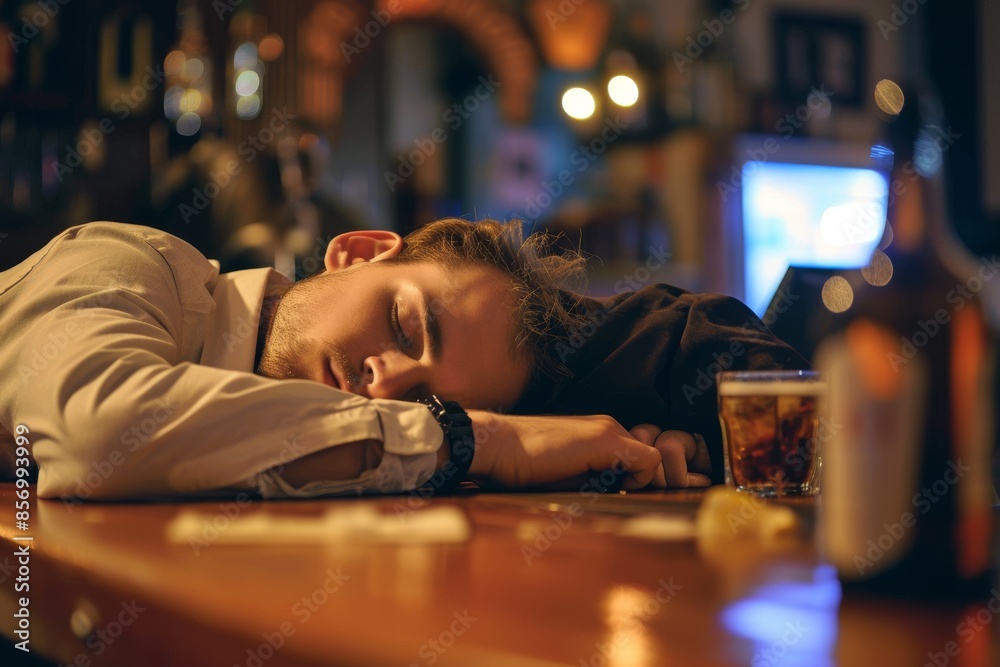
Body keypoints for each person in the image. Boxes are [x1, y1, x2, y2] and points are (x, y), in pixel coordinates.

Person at [0, 218, 803, 500]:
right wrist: (481, 440)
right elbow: (96, 428)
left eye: (427, 403)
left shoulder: (330, 468)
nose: (387, 386)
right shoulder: (141, 266)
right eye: (403, 322)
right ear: (356, 253)